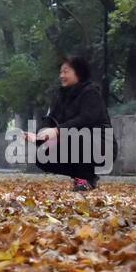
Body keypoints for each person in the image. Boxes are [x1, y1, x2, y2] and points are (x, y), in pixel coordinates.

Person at [23, 55, 112, 191]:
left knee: (79, 137)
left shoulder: (91, 93)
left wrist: (57, 131)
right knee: (42, 156)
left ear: (79, 73)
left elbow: (85, 120)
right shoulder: (61, 96)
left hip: (100, 145)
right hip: (72, 140)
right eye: (60, 72)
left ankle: (85, 178)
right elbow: (50, 119)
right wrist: (38, 136)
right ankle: (81, 176)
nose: (61, 76)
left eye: (65, 71)